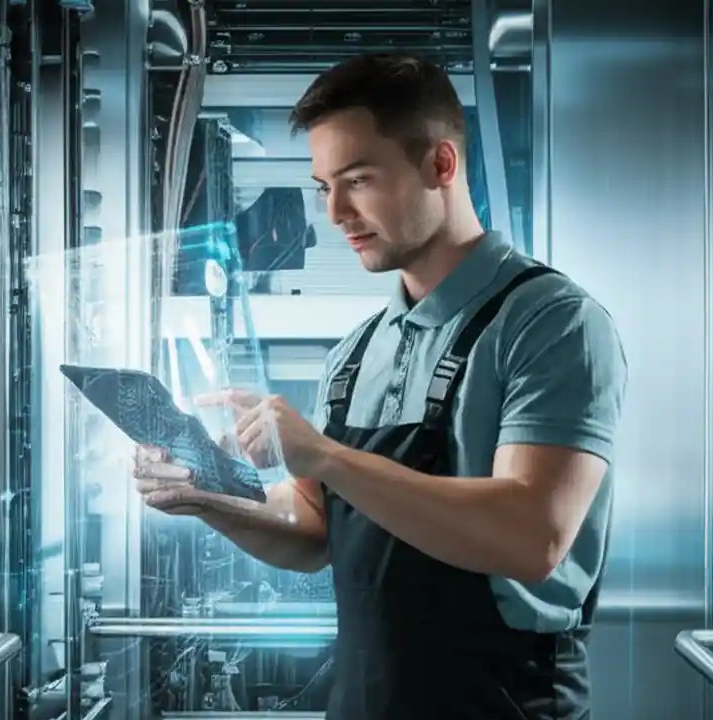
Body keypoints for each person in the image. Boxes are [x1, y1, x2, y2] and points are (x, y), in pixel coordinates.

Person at [134, 52, 628, 720]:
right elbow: (315, 531)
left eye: (358, 180)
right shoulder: (354, 354)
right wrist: (208, 496)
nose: (335, 211)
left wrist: (327, 456)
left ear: (441, 165)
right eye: (322, 186)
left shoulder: (551, 324)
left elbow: (531, 537)